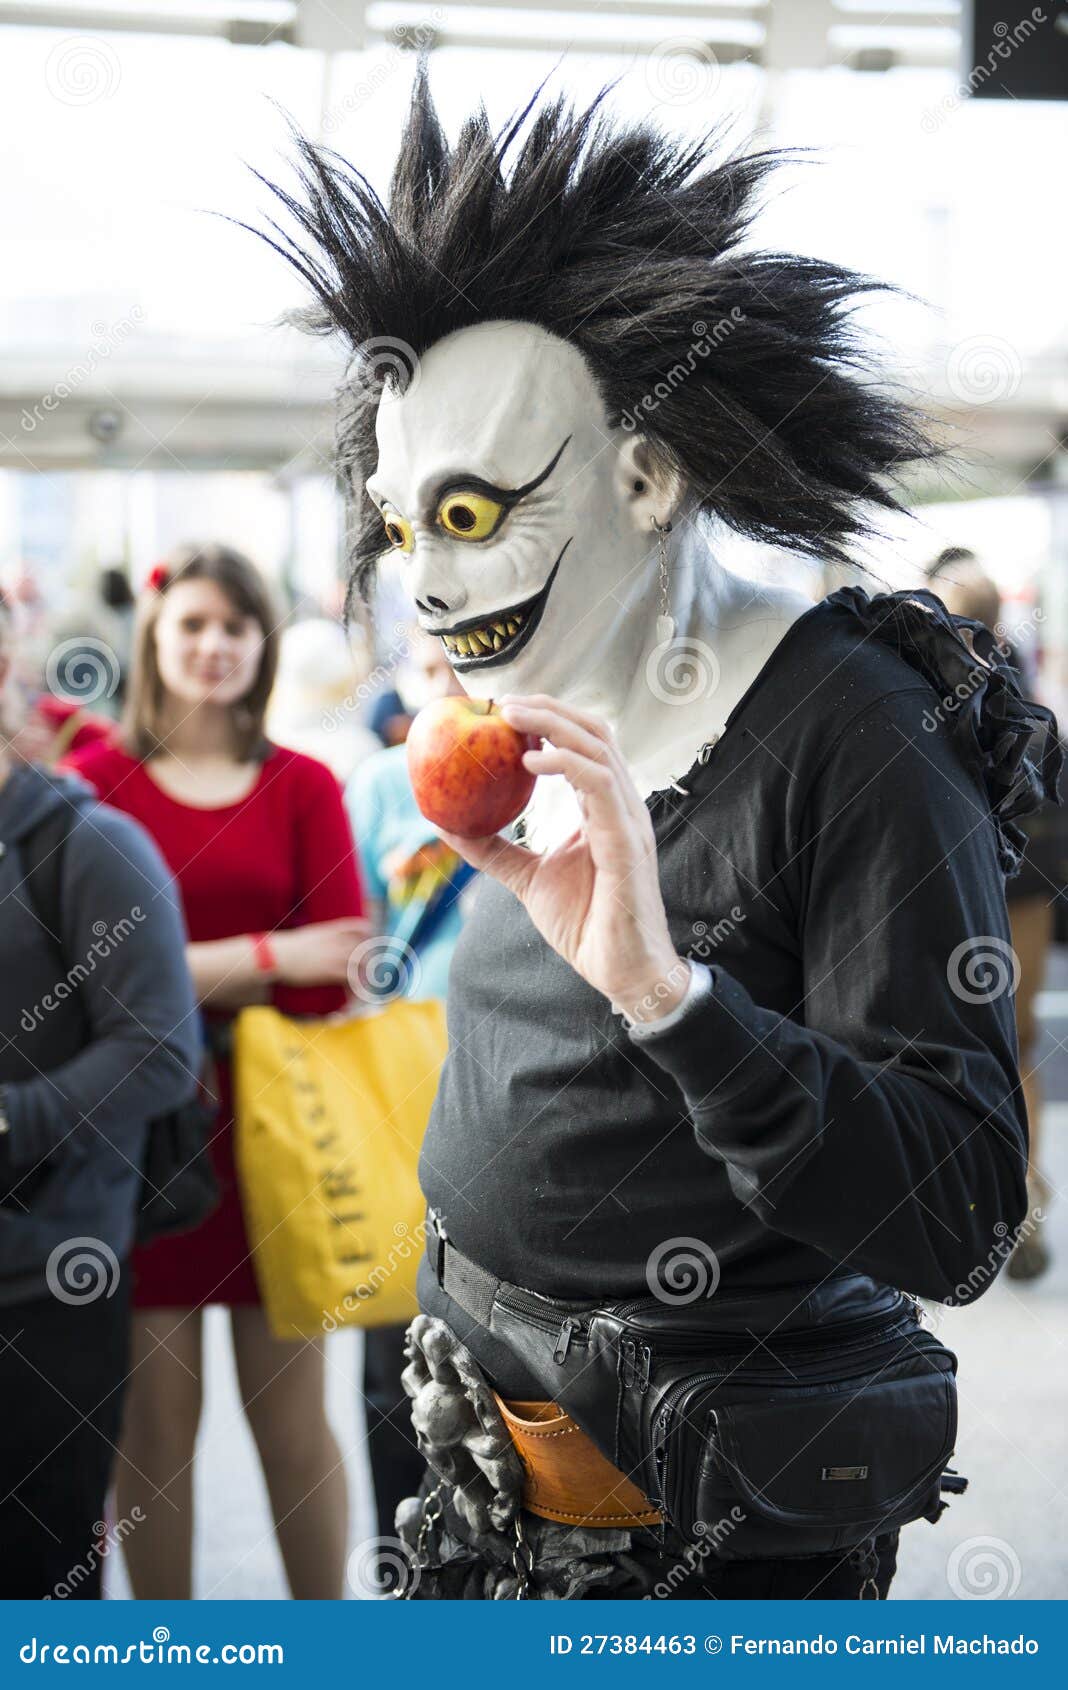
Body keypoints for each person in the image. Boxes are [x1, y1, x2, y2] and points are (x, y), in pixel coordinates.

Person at [254, 71, 1061, 1599]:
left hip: (701, 1542)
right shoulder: (544, 688)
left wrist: (674, 1005)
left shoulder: (857, 733)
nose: (424, 579)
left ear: (645, 474)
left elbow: (953, 1212)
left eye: (475, 515)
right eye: (404, 521)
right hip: (469, 1475)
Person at [63, 544, 368, 1599]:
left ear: (263, 645)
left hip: (283, 1145)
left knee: (295, 1427)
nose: (214, 645)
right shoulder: (91, 785)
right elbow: (70, 986)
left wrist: (170, 971)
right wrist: (265, 957)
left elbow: (343, 968)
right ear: (154, 636)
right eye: (193, 623)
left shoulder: (304, 786)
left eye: (235, 627)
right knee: (153, 1439)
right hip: (135, 1145)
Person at [0, 589, 199, 1598]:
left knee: (41, 1579)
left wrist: (10, 1120)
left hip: (45, 1282)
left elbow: (159, 1051)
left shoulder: (90, 845)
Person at [344, 629, 472, 1565]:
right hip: (404, 1089)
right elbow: (354, 943)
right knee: (398, 1347)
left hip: (516, 1089)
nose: (453, 688)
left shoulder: (549, 773)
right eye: (432, 671)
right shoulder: (382, 786)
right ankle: (406, 1560)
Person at [928, 551, 1061, 1280]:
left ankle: (995, 1203)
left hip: (974, 881)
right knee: (1015, 1040)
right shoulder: (1022, 689)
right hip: (1022, 884)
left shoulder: (922, 682)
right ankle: (1022, 1199)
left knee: (968, 1038)